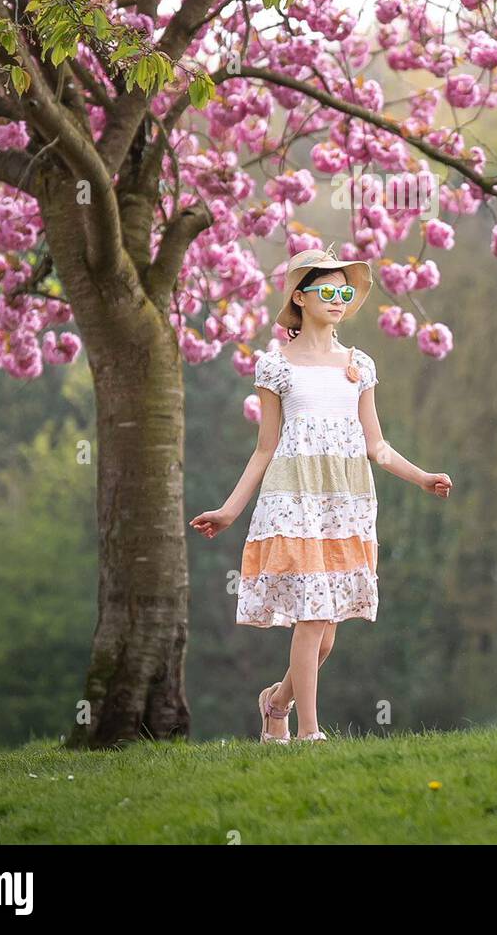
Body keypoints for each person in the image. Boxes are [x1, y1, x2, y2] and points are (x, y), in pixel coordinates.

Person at [190, 243, 452, 743]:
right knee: (311, 619)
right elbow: (264, 449)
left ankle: (275, 703)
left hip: (346, 501)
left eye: (344, 291)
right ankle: (308, 735)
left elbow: (377, 445)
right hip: (294, 500)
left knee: (326, 631)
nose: (338, 299)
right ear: (301, 297)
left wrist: (422, 477)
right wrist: (228, 510)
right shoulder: (275, 366)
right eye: (327, 290)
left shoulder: (359, 364)